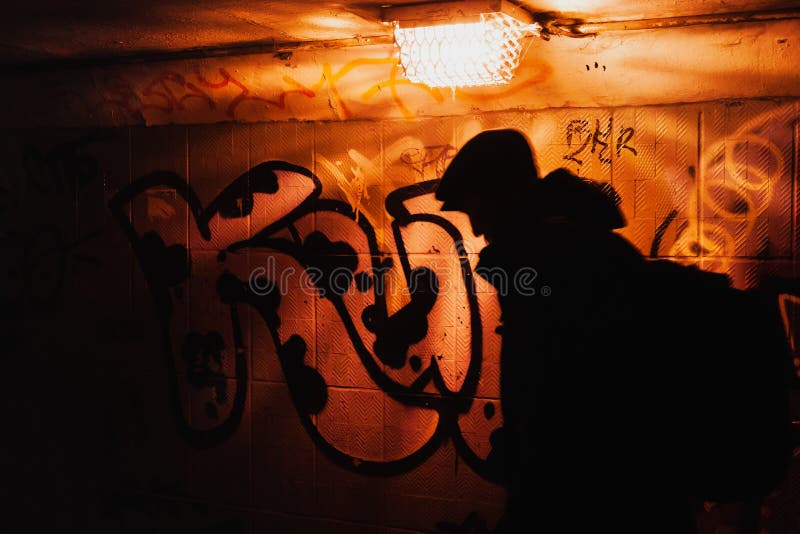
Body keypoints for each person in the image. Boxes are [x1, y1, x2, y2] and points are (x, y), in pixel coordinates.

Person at [435, 129, 793, 533]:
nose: (478, 228)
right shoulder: (591, 250)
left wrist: (524, 455)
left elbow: (567, 414)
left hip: (604, 504)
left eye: (476, 209)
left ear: (503, 195)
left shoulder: (547, 266)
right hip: (646, 500)